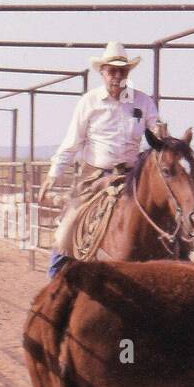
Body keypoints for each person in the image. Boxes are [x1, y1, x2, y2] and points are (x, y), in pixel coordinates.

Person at [38, 40, 161, 276]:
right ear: (102, 72)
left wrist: (161, 134)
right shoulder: (89, 101)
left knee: (163, 218)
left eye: (122, 71)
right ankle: (55, 280)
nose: (116, 75)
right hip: (95, 175)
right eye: (111, 70)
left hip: (131, 176)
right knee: (68, 226)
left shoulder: (143, 102)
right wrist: (54, 174)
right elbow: (73, 141)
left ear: (128, 73)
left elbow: (156, 131)